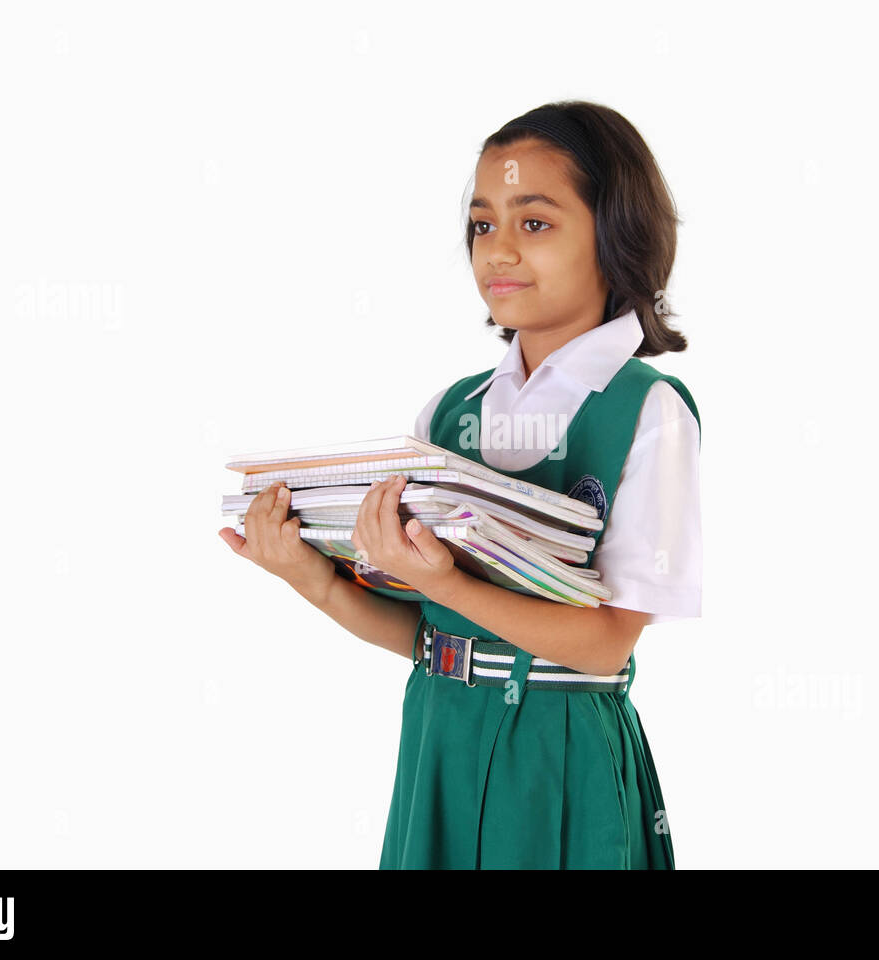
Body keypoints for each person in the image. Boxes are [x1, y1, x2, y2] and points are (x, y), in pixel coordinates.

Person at [220, 100, 701, 869]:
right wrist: (308, 576)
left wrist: (443, 578)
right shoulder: (448, 414)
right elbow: (425, 636)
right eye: (482, 225)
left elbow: (607, 643)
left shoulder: (647, 411)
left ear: (616, 237)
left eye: (534, 223)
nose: (498, 250)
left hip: (558, 749)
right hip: (439, 734)